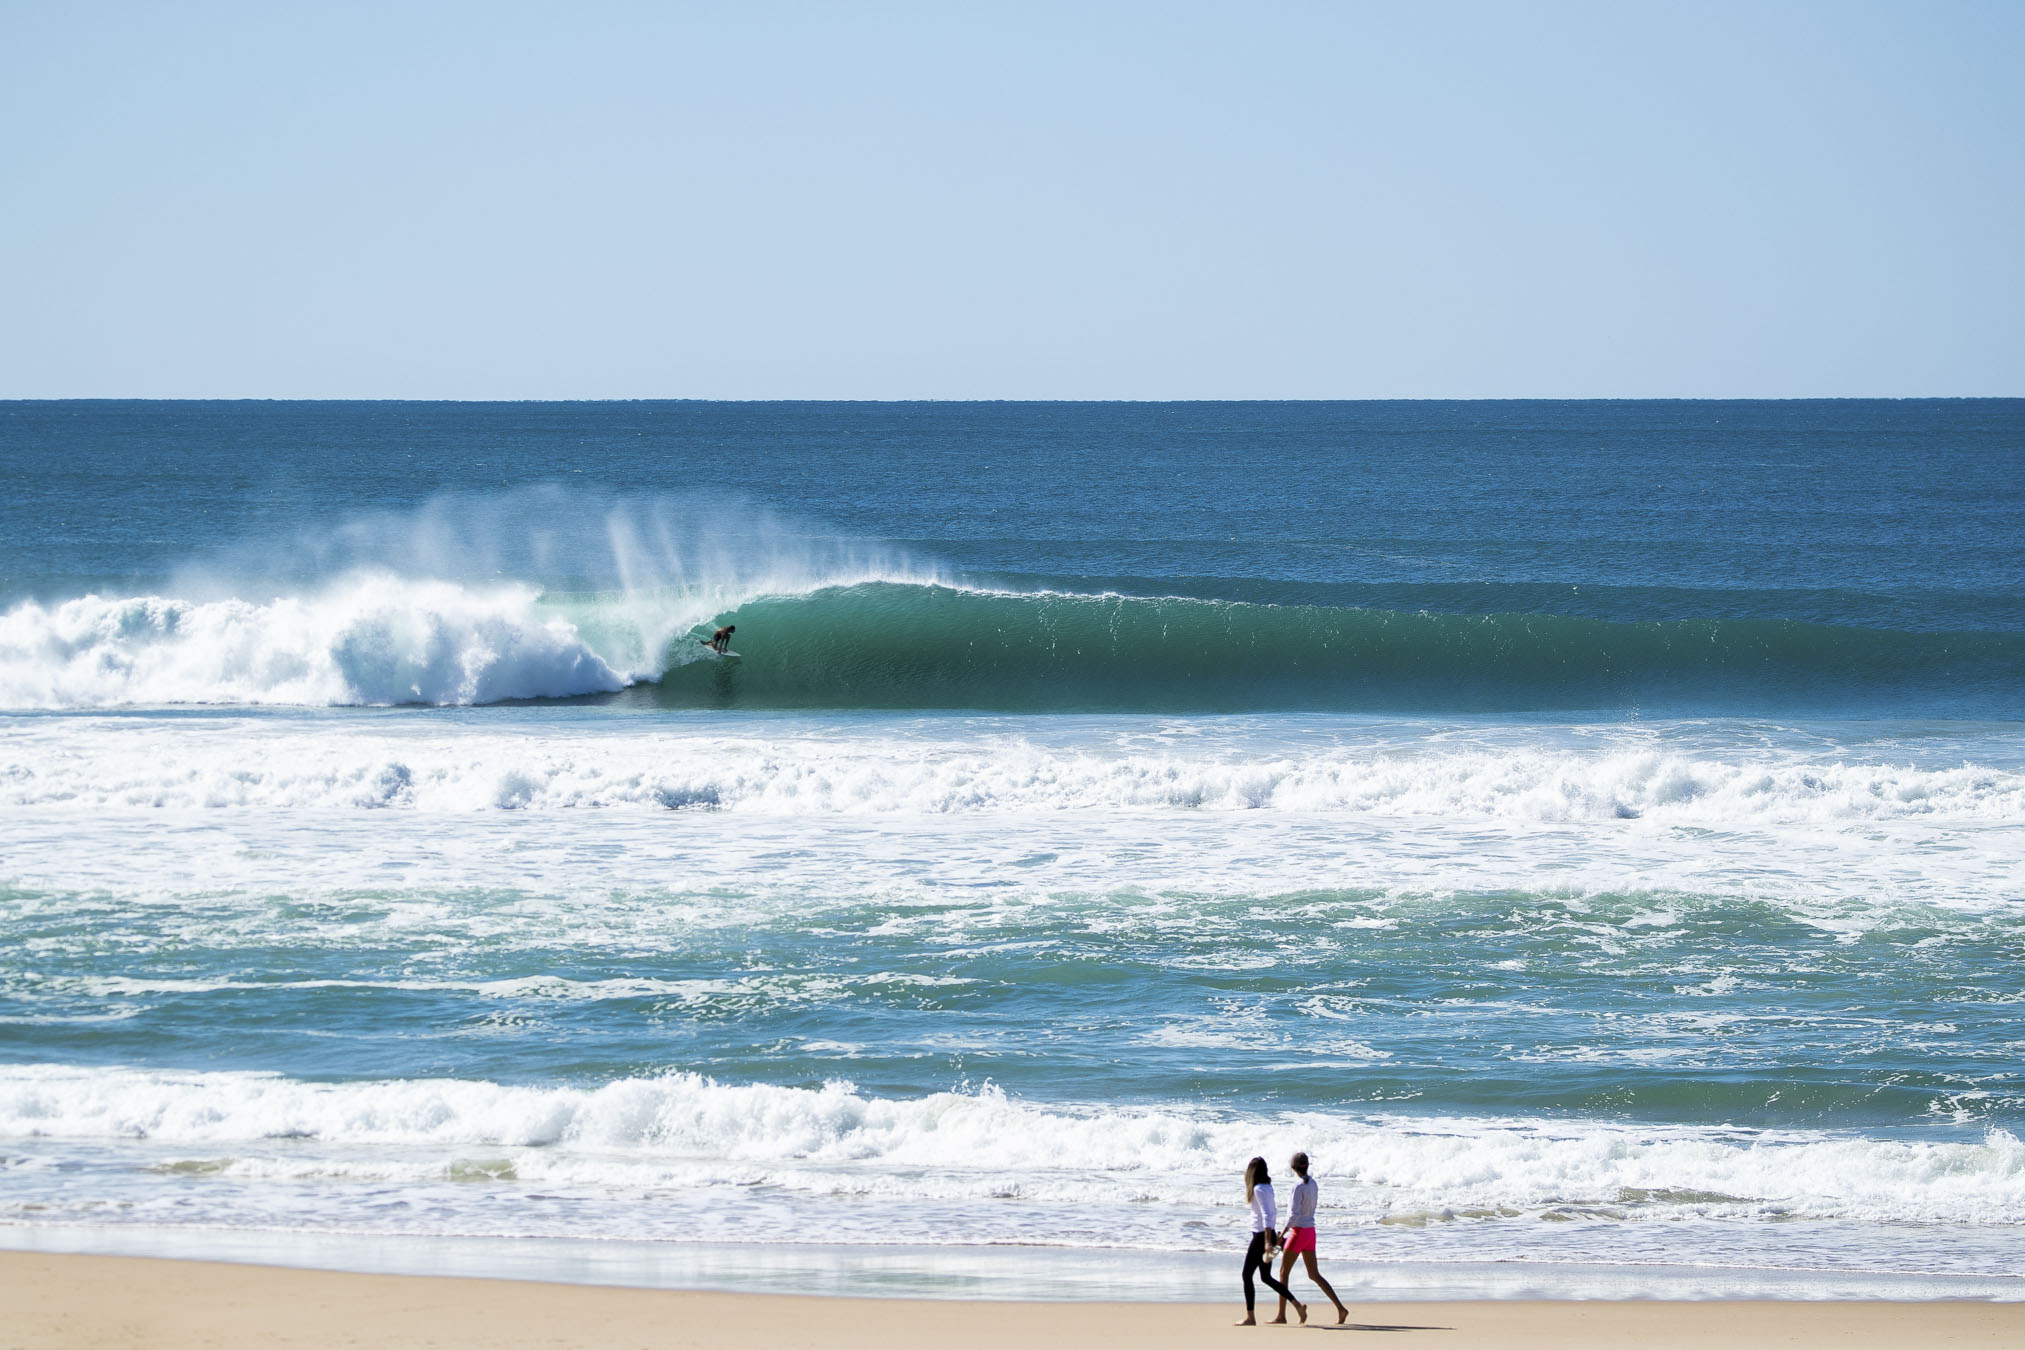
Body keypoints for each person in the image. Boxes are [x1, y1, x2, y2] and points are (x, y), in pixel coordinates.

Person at [1272, 1151, 1348, 1325]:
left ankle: (1281, 1315)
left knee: (1283, 1273)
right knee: (1314, 1274)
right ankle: (1340, 1308)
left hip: (1298, 1232)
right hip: (1310, 1233)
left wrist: (1282, 1235)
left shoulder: (1298, 1186)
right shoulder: (1313, 1184)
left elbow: (1293, 1215)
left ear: (1293, 1168)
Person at [1236, 1156, 1303, 1326]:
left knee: (1246, 1275)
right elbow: (1272, 1212)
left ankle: (1250, 1317)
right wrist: (1273, 1236)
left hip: (1261, 1237)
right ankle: (1297, 1305)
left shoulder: (1259, 1189)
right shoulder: (1267, 1187)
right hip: (1268, 1235)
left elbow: (1267, 1214)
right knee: (1265, 1277)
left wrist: (1267, 1241)